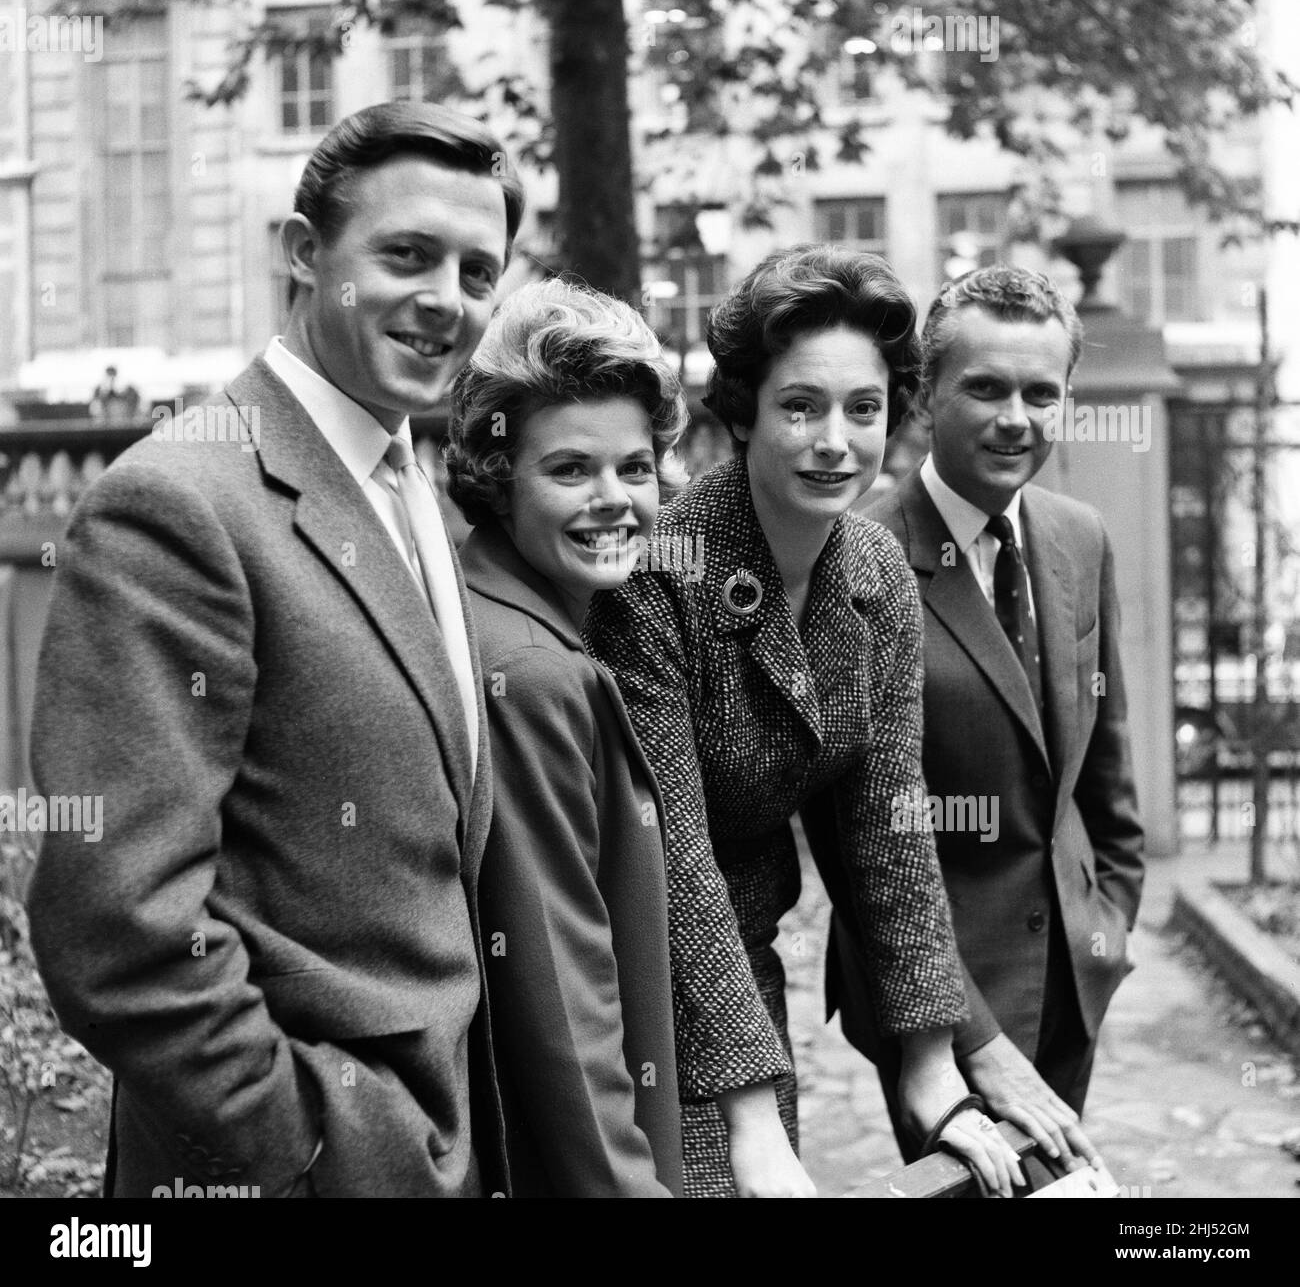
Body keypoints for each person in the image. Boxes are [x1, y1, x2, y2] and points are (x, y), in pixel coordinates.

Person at [26, 101, 523, 1198]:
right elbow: (116, 920)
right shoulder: (178, 501)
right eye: (406, 254)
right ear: (303, 255)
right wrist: (316, 1143)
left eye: (478, 272)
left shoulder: (421, 502)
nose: (446, 298)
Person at [586, 244, 1025, 1198]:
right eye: (801, 406)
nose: (837, 440)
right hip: (618, 985)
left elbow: (889, 825)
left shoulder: (873, 572)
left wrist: (930, 1060)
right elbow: (673, 855)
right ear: (741, 412)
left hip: (745, 971)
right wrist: (750, 1112)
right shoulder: (659, 571)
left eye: (864, 409)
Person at [840, 264, 1144, 1173]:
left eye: (1041, 392)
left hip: (1074, 977)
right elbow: (859, 834)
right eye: (986, 387)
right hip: (937, 1006)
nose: (1017, 416)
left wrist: (1111, 927)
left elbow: (1105, 770)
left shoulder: (1078, 535)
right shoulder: (859, 554)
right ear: (926, 394)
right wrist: (959, 1030)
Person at [447, 278, 687, 1197]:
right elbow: (557, 986)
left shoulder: (517, 622)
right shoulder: (530, 673)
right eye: (569, 470)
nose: (613, 500)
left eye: (635, 468)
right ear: (499, 477)